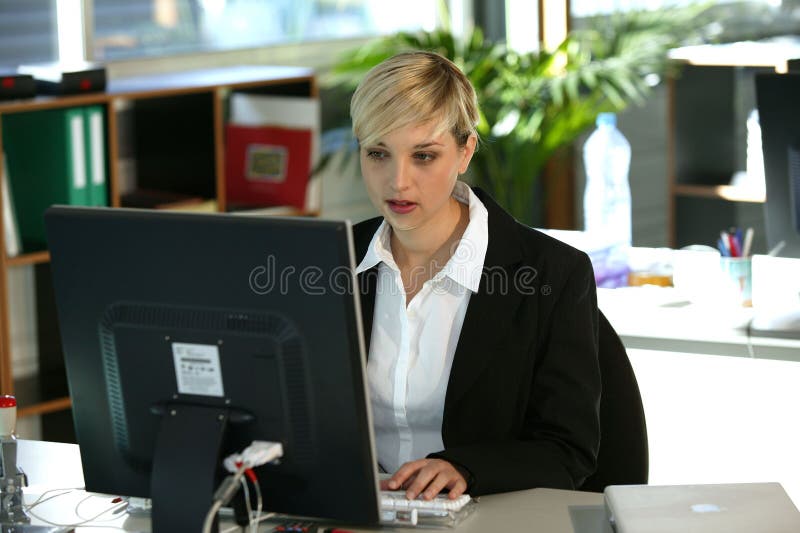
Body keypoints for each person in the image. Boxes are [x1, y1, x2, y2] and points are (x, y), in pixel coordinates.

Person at [350, 51, 601, 501]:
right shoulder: (333, 260)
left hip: (487, 515)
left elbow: (567, 449)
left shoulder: (553, 274)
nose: (397, 182)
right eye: (378, 154)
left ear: (465, 151)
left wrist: (464, 468)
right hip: (356, 511)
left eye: (424, 156)